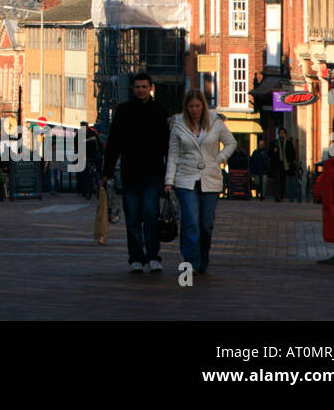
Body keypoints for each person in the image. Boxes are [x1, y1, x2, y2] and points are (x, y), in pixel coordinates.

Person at [101, 73, 170, 273]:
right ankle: (136, 257)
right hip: (130, 172)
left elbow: (168, 146)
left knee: (150, 215)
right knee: (132, 217)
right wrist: (107, 171)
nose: (140, 90)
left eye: (144, 86)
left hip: (153, 173)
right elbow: (114, 144)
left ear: (151, 87)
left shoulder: (159, 111)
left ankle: (153, 255)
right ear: (133, 88)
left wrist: (169, 175)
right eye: (137, 86)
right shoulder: (123, 111)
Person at [165, 87, 236, 277]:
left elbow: (231, 143)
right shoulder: (178, 124)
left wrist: (219, 159)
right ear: (186, 107)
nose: (194, 110)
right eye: (190, 107)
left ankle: (203, 259)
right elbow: (173, 154)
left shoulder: (215, 122)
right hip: (185, 178)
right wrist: (169, 180)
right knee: (190, 221)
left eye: (197, 106)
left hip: (210, 177)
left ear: (203, 106)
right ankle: (191, 262)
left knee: (206, 223)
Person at [269, 128, 297, 202]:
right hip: (276, 164)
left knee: (283, 181)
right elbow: (269, 153)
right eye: (280, 133)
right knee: (277, 180)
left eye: (282, 133)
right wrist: (273, 151)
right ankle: (277, 196)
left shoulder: (288, 143)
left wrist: (289, 161)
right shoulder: (274, 143)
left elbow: (292, 154)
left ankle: (281, 195)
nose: (281, 135)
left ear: (285, 134)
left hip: (285, 165)